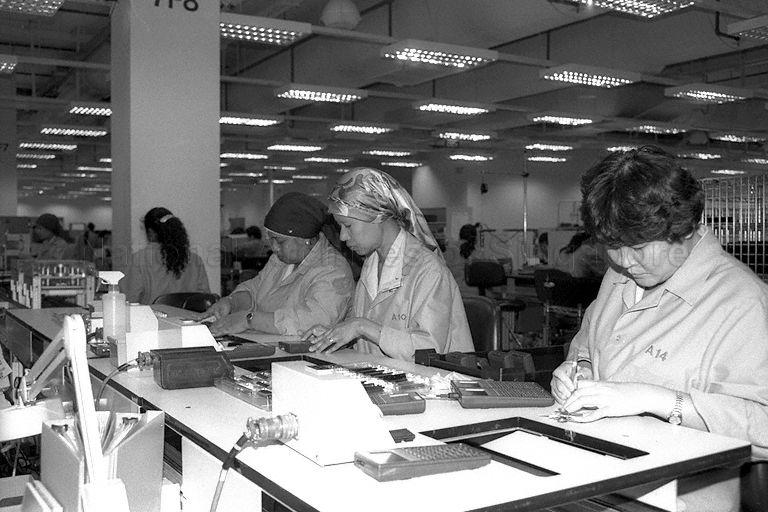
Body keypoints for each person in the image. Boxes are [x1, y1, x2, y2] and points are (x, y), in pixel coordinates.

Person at [550, 146, 768, 511]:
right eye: (612, 248)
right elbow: (585, 351)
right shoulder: (619, 277)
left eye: (637, 247)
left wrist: (658, 400)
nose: (623, 261)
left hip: (677, 498)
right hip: (595, 477)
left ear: (682, 230)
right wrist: (576, 373)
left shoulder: (742, 302)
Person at [305, 167, 473, 362]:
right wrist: (335, 335)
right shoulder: (372, 265)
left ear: (377, 216)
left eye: (348, 226)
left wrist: (361, 326)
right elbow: (373, 339)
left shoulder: (428, 271)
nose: (342, 236)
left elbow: (429, 352)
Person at [203, 192, 354, 336]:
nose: (274, 248)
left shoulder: (333, 270)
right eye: (271, 240)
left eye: (280, 241)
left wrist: (249, 320)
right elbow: (256, 289)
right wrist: (231, 303)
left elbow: (313, 320)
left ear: (305, 238)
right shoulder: (280, 260)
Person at [122, 207, 210, 305]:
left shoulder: (139, 259)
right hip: (188, 318)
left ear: (150, 233)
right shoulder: (195, 259)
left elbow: (128, 299)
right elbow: (204, 298)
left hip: (153, 318)